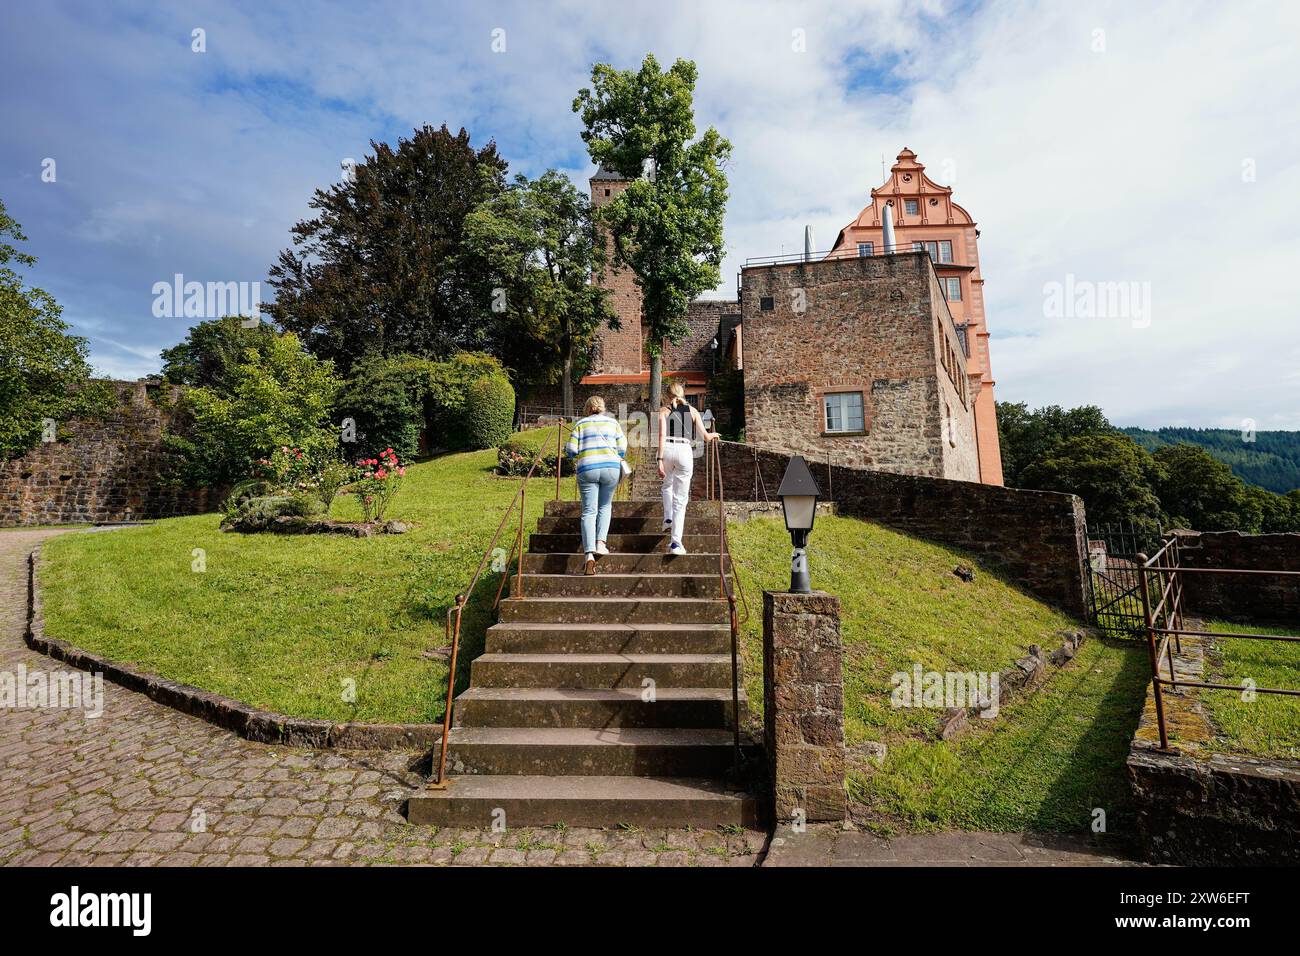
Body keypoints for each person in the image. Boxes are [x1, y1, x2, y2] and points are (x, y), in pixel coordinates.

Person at [565, 395, 628, 575]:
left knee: (588, 511)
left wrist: (571, 454)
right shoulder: (613, 423)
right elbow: (622, 447)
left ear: (587, 408)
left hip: (588, 468)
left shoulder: (580, 424)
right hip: (610, 468)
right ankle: (601, 543)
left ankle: (589, 555)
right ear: (603, 407)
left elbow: (571, 450)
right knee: (605, 506)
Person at [656, 382, 719, 555]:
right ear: (683, 394)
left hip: (667, 449)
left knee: (667, 485)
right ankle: (676, 543)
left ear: (666, 395)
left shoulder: (663, 411)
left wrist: (660, 459)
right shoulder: (692, 411)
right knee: (681, 500)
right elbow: (705, 437)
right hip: (684, 450)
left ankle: (667, 518)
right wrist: (713, 435)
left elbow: (661, 436)